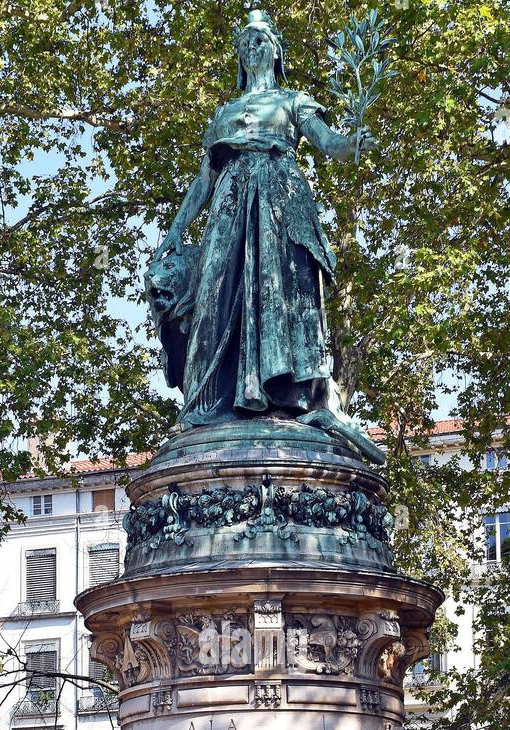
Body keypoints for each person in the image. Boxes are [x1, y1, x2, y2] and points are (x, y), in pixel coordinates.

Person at [147, 9, 381, 462]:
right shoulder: (226, 112)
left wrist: (352, 143)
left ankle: (286, 394)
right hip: (231, 204)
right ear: (240, 56)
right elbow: (203, 182)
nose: (253, 48)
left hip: (279, 198)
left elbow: (328, 142)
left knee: (283, 293)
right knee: (214, 292)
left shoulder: (293, 100)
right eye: (245, 42)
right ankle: (208, 400)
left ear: (276, 51)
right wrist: (175, 231)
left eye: (261, 40)